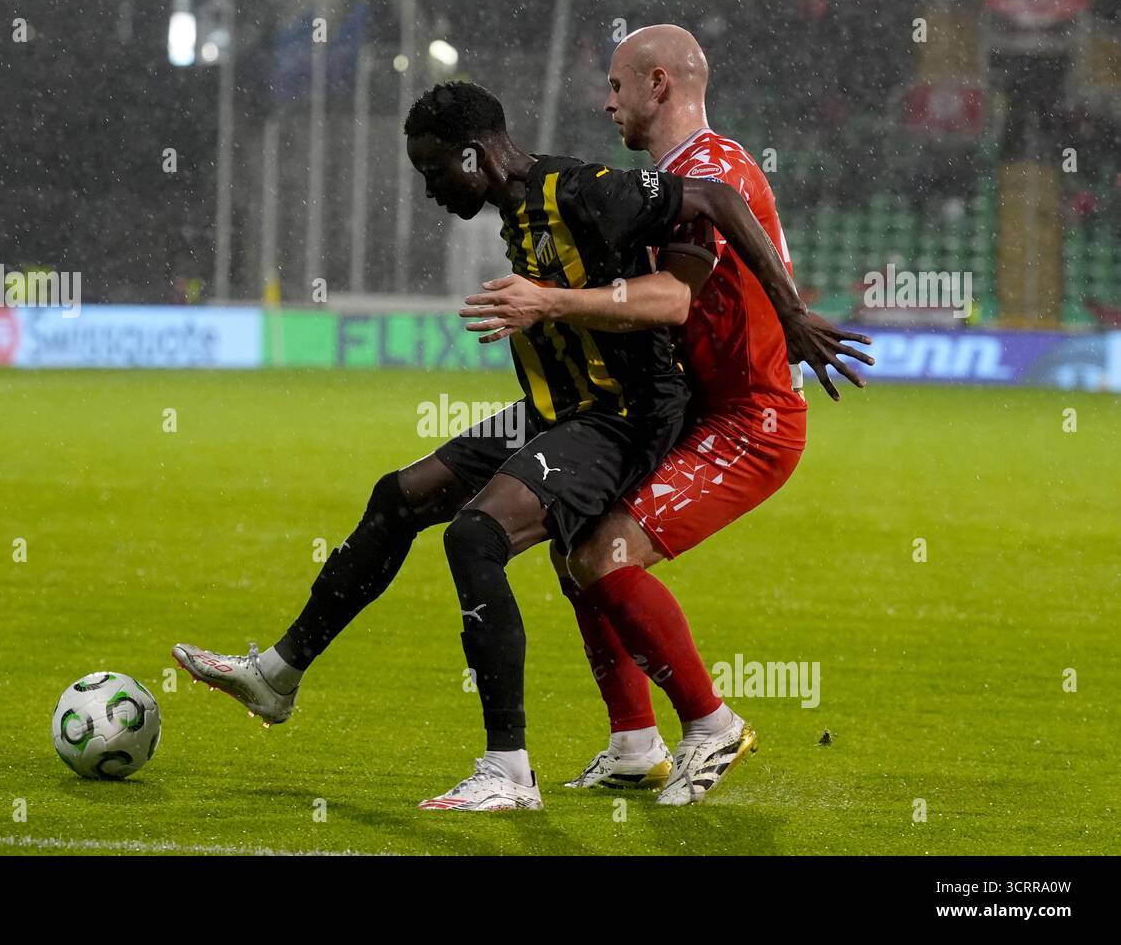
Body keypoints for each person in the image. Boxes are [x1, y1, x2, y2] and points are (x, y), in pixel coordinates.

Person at [173, 80, 845, 811]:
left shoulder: (583, 188)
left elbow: (716, 203)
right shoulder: (521, 212)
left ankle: (509, 769)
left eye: (434, 171)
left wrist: (791, 311)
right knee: (399, 495)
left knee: (477, 537)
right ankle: (277, 675)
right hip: (556, 411)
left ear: (474, 153)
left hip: (621, 418)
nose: (430, 190)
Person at [460, 25, 873, 805]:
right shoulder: (683, 175)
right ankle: (633, 742)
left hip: (750, 422)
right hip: (698, 410)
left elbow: (671, 300)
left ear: (659, 84)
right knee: (573, 539)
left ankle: (713, 725)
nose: (605, 99)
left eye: (617, 85)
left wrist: (549, 301)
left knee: (604, 555)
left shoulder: (711, 173)